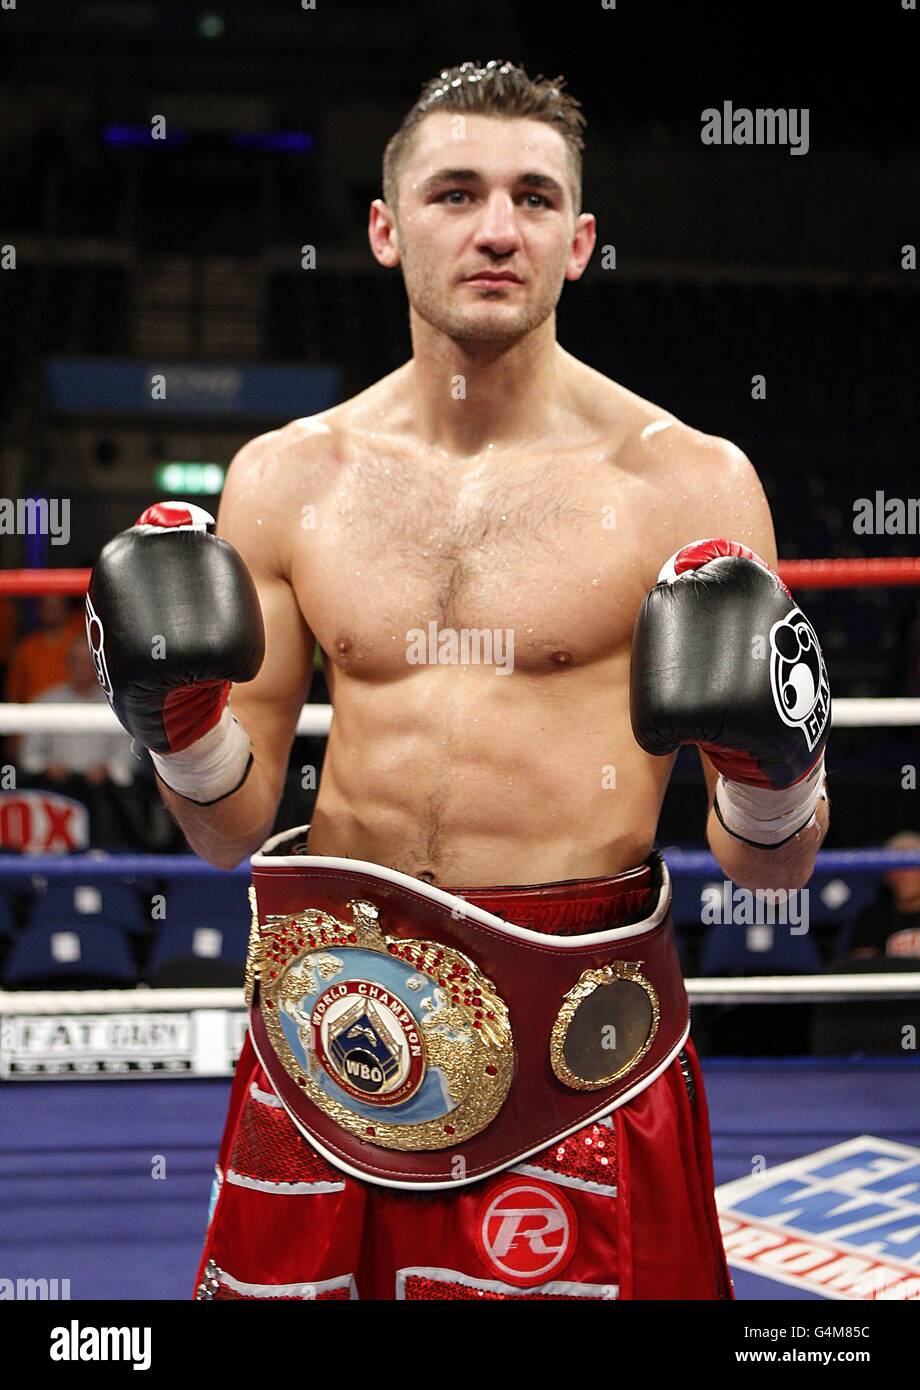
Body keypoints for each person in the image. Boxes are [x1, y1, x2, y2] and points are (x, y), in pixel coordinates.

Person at [87, 60, 830, 1301]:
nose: (496, 229)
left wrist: (772, 774)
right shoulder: (285, 477)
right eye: (455, 194)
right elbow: (226, 829)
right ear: (386, 230)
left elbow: (771, 868)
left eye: (533, 198)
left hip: (575, 1065)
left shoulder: (687, 483)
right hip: (330, 1048)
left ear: (578, 242)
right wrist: (180, 728)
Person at [19, 632, 135, 786]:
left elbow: (127, 754)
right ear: (67, 663)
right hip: (54, 788)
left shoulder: (116, 704)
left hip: (103, 789)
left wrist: (107, 768)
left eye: (86, 662)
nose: (80, 668)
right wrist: (46, 766)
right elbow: (29, 755)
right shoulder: (46, 701)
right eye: (75, 661)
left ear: (98, 665)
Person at [844, 831, 920, 962]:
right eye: (895, 867)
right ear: (887, 874)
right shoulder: (872, 917)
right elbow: (860, 965)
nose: (902, 875)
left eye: (909, 867)